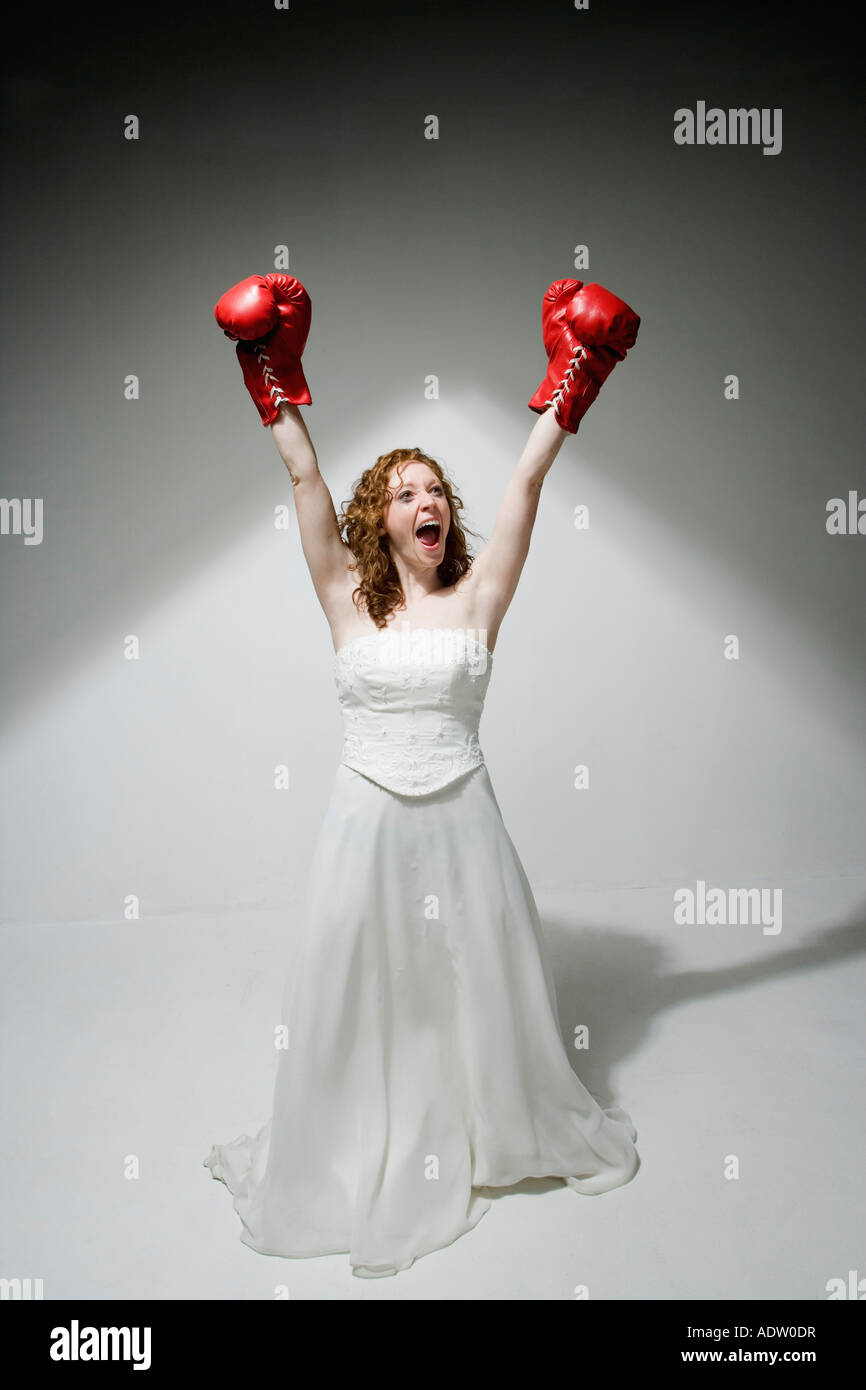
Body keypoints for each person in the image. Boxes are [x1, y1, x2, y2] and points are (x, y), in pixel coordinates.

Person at [203, 271, 642, 1279]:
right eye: (404, 492)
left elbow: (525, 489)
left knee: (473, 990)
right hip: (363, 827)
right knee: (362, 997)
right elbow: (303, 485)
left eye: (435, 487)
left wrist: (569, 387)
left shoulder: (479, 599)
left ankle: (485, 1124)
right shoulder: (345, 602)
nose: (427, 499)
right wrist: (267, 372)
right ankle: (362, 1138)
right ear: (381, 520)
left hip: (464, 828)